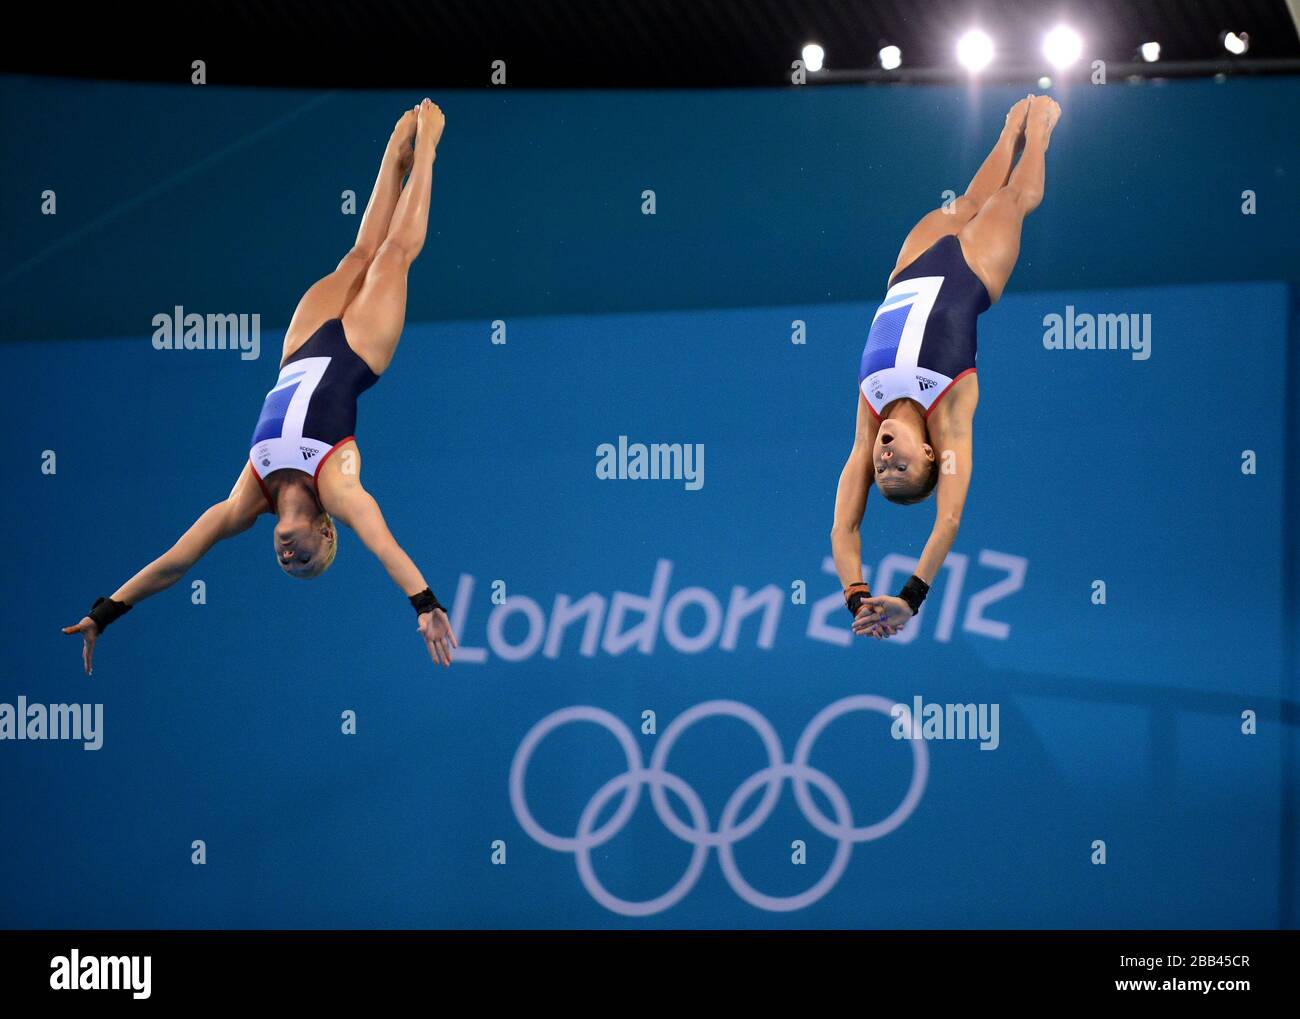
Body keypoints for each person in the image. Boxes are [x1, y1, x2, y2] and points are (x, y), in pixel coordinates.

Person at [63, 100, 459, 671]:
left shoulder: (250, 499)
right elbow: (384, 544)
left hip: (298, 349)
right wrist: (424, 603)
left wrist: (106, 612)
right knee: (393, 255)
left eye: (285, 566)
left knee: (357, 254)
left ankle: (393, 147)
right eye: (306, 561)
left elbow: (177, 560)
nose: (288, 557)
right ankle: (425, 148)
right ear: (325, 533)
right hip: (357, 354)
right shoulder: (339, 489)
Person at [831, 94, 1060, 639]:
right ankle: (1044, 128)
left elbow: (844, 526)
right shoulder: (951, 414)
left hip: (909, 271)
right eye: (900, 468)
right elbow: (949, 519)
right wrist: (912, 596)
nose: (883, 461)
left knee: (973, 198)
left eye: (880, 472)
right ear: (931, 455)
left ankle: (1009, 129)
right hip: (973, 275)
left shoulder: (869, 418)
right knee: (1009, 199)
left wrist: (856, 598)